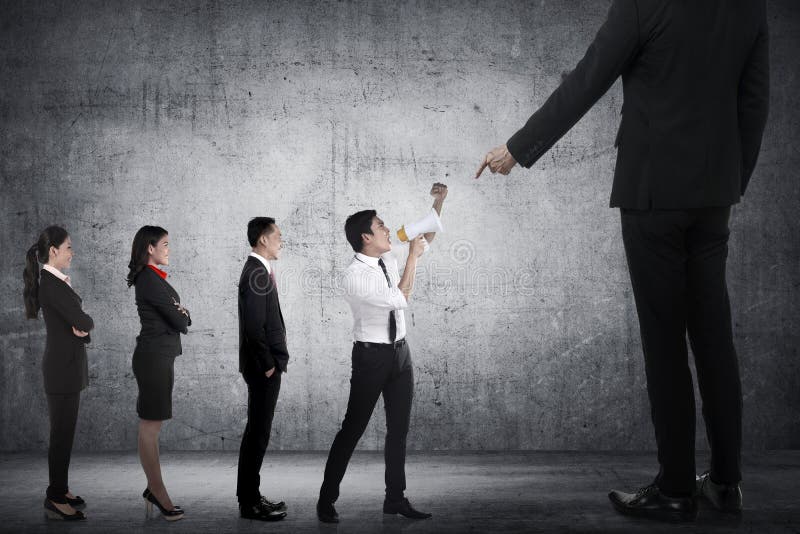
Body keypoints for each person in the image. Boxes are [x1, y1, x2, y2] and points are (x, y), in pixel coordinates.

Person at [476, 0, 769, 522]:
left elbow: (589, 79)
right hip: (713, 196)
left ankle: (676, 489)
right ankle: (726, 484)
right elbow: (754, 101)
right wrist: (728, 183)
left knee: (665, 345)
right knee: (715, 342)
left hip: (653, 194)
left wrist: (519, 148)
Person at [317, 183, 447, 523]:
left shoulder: (387, 258)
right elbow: (402, 296)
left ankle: (395, 498)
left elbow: (424, 238)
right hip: (371, 358)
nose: (388, 229)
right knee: (352, 429)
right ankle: (326, 499)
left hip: (401, 356)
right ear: (365, 237)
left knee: (398, 431)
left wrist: (439, 203)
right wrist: (414, 258)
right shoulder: (355, 276)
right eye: (381, 226)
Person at [23, 226, 94, 521]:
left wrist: (80, 329)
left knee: (65, 433)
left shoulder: (55, 283)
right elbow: (83, 320)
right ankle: (54, 497)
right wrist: (83, 325)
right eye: (68, 247)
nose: (71, 252)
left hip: (65, 367)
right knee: (61, 436)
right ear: (53, 250)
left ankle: (61, 488)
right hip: (61, 370)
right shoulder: (52, 285)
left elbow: (78, 327)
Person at [126, 226, 191, 521]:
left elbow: (182, 317)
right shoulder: (148, 280)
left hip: (159, 358)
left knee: (151, 426)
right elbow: (178, 320)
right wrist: (180, 312)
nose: (168, 249)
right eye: (165, 244)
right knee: (150, 428)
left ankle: (154, 489)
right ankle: (157, 491)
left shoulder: (154, 279)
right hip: (153, 359)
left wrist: (181, 313)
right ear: (149, 248)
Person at [236, 217, 289, 522]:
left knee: (258, 433)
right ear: (263, 240)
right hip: (262, 368)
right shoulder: (256, 272)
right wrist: (269, 365)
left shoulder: (259, 270)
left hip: (262, 366)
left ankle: (252, 496)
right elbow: (255, 328)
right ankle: (249, 503)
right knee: (257, 434)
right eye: (278, 236)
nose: (281, 241)